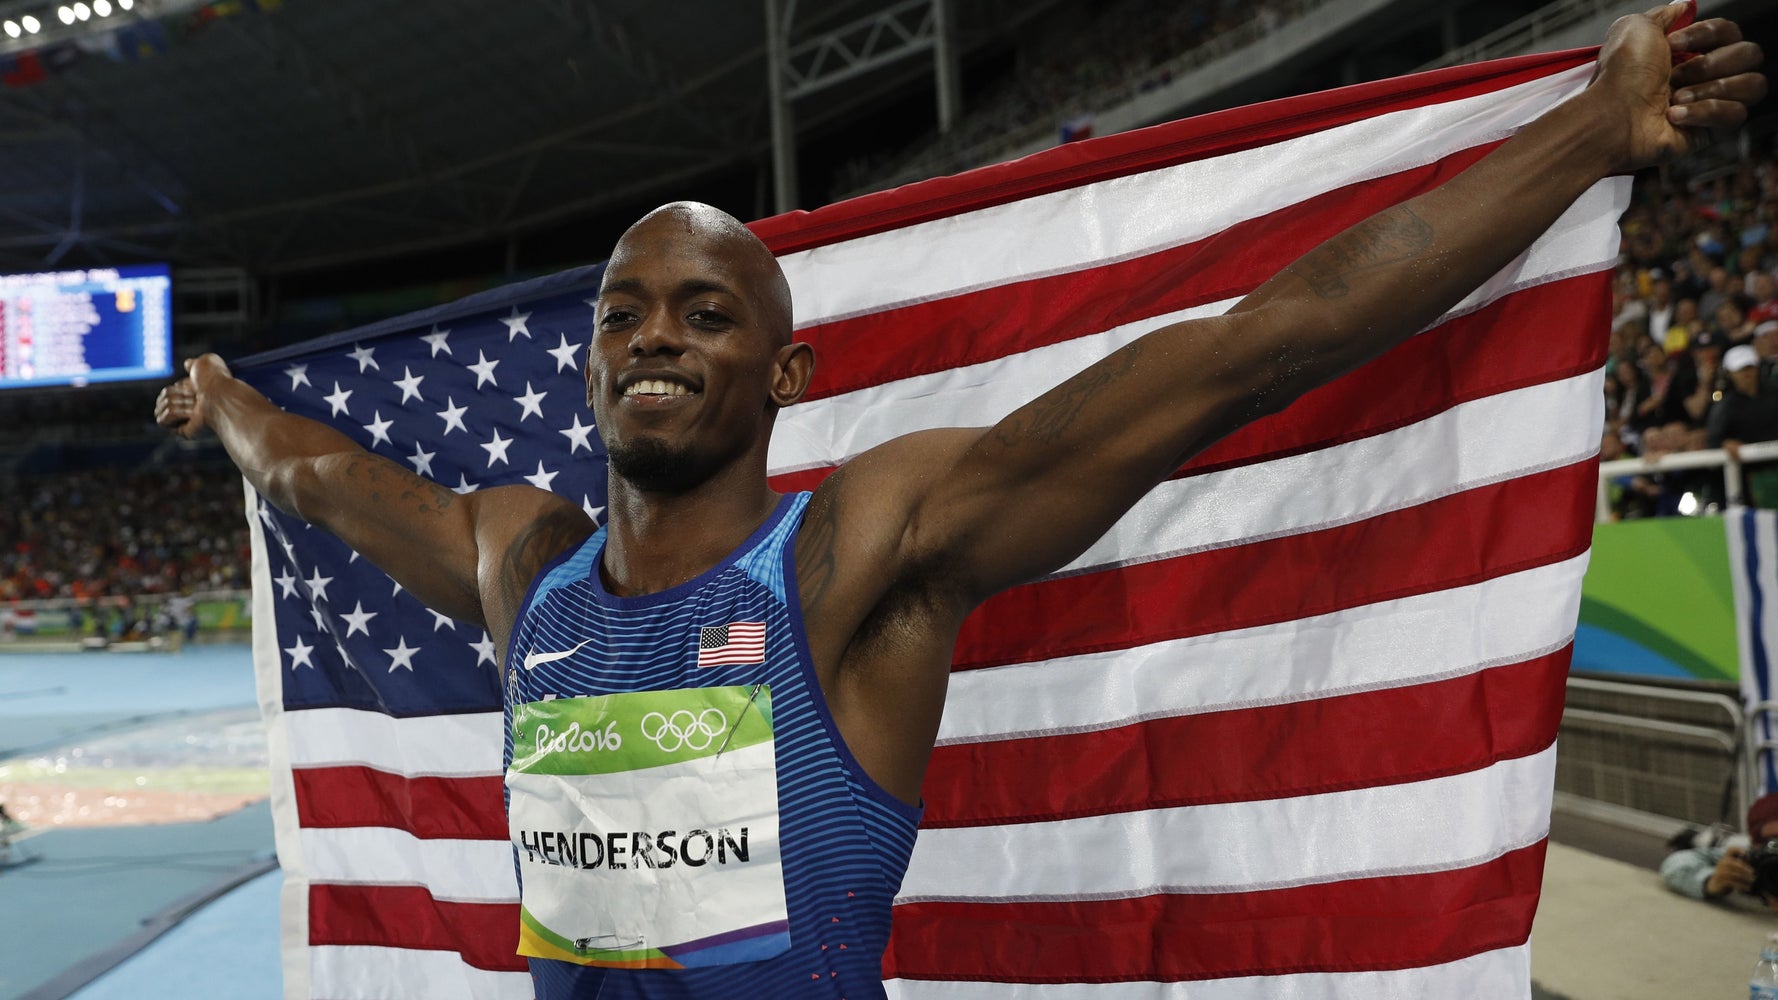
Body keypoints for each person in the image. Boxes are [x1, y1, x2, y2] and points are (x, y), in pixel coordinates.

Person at [155, 7, 1764, 997]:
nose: (655, 335)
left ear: (782, 379)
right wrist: (224, 402)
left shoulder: (863, 553)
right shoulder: (525, 571)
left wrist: (1588, 133)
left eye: (707, 315)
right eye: (625, 312)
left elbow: (1246, 355)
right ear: (587, 361)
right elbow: (325, 480)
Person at [1663, 794, 1778, 907]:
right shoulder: (1749, 856)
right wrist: (1711, 881)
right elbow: (1677, 862)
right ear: (1756, 843)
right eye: (1773, 840)